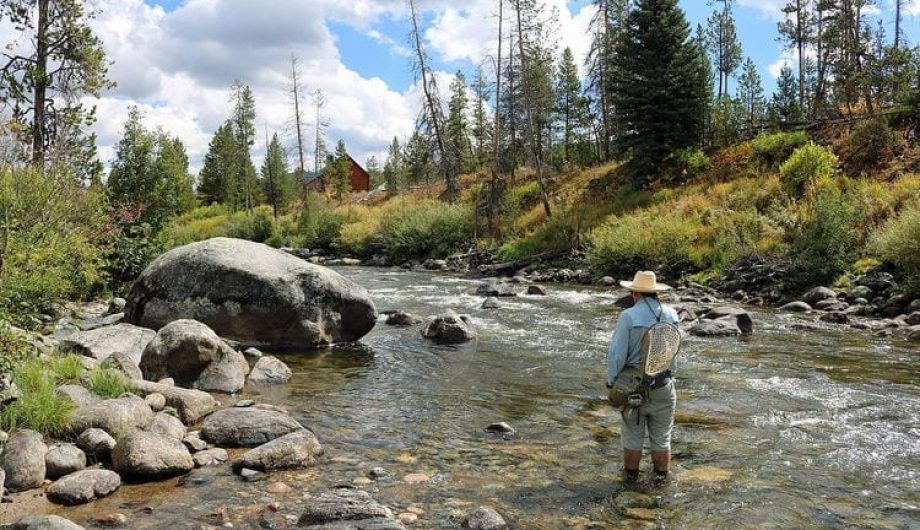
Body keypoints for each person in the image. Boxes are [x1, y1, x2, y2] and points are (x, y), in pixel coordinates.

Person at [606, 270, 680, 486]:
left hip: (633, 388)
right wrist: (669, 375)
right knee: (662, 439)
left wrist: (611, 384)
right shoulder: (672, 314)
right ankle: (660, 483)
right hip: (664, 386)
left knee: (632, 437)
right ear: (655, 292)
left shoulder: (628, 316)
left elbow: (617, 355)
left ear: (635, 292)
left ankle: (630, 484)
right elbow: (672, 351)